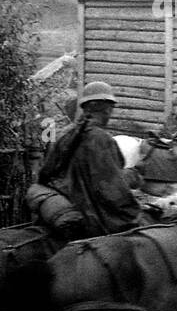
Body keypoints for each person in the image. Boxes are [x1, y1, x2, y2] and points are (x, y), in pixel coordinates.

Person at [37, 81, 140, 237]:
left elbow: (45, 173)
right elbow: (113, 192)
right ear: (107, 109)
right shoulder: (101, 139)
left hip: (63, 205)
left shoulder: (65, 134)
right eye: (111, 109)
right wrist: (135, 210)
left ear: (84, 107)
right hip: (89, 215)